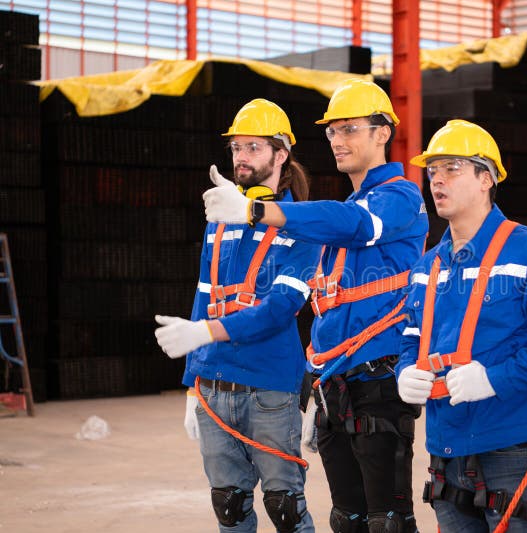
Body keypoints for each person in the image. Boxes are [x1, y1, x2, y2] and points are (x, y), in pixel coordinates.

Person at [203, 79, 429, 533]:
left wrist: (256, 211)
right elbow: (329, 306)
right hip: (336, 383)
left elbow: (354, 224)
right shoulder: (346, 207)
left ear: (383, 133)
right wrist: (317, 388)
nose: (337, 140)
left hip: (379, 381)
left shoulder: (400, 197)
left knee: (387, 523)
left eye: (349, 129)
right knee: (347, 520)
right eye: (332, 131)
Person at [395, 119, 527, 533]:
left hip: (510, 447)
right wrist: (404, 370)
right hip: (445, 448)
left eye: (452, 168)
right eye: (433, 171)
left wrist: (493, 379)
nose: (437, 180)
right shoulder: (426, 266)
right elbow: (412, 335)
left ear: (486, 179)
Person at [154, 99, 319, 533]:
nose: (241, 157)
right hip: (213, 387)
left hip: (270, 390)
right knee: (228, 506)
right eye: (236, 148)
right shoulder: (218, 222)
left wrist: (205, 332)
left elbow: (279, 310)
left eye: (253, 147)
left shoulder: (303, 227)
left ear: (280, 155)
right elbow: (203, 300)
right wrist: (192, 385)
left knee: (285, 508)